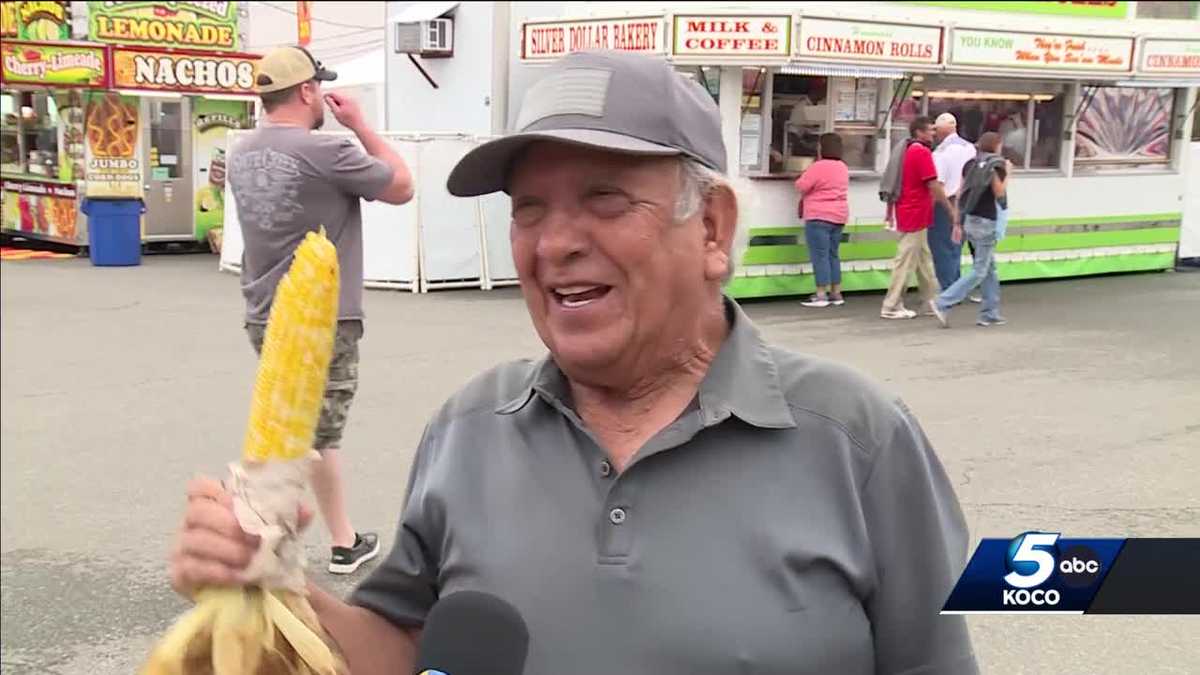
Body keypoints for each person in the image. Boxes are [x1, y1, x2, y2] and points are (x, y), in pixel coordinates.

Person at [171, 51, 978, 675]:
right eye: (529, 208)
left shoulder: (857, 440)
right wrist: (270, 579)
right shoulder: (468, 428)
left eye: (605, 198)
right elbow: (403, 645)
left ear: (712, 228)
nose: (555, 242)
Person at [226, 46, 415, 574]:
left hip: (263, 310)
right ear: (307, 90)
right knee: (318, 434)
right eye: (320, 87)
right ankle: (318, 540)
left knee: (285, 422)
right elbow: (402, 185)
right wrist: (361, 125)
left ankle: (310, 536)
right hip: (321, 315)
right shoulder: (327, 150)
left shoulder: (241, 153)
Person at [932, 132, 1011, 328]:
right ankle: (943, 301)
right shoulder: (996, 165)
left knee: (989, 269)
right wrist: (1008, 173)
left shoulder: (970, 164)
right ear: (996, 145)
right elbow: (999, 192)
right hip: (987, 221)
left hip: (971, 220)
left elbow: (961, 193)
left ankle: (990, 313)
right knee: (980, 270)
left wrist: (958, 220)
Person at [881, 116, 956, 320]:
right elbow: (933, 184)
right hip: (915, 212)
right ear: (919, 132)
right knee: (905, 261)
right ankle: (891, 305)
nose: (933, 133)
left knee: (923, 259)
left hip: (909, 211)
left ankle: (932, 301)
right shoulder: (922, 152)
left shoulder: (907, 149)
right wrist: (950, 209)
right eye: (930, 130)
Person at [796, 132, 849, 308]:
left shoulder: (818, 167)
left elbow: (801, 186)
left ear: (821, 147)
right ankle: (836, 293)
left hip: (819, 216)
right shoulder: (842, 166)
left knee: (820, 256)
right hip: (839, 216)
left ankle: (820, 295)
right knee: (833, 254)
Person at [930, 113, 977, 290]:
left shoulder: (940, 153)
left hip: (945, 204)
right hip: (967, 202)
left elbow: (938, 184)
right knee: (956, 247)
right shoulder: (970, 148)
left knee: (943, 249)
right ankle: (957, 289)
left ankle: (948, 290)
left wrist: (946, 208)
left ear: (941, 131)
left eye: (936, 130)